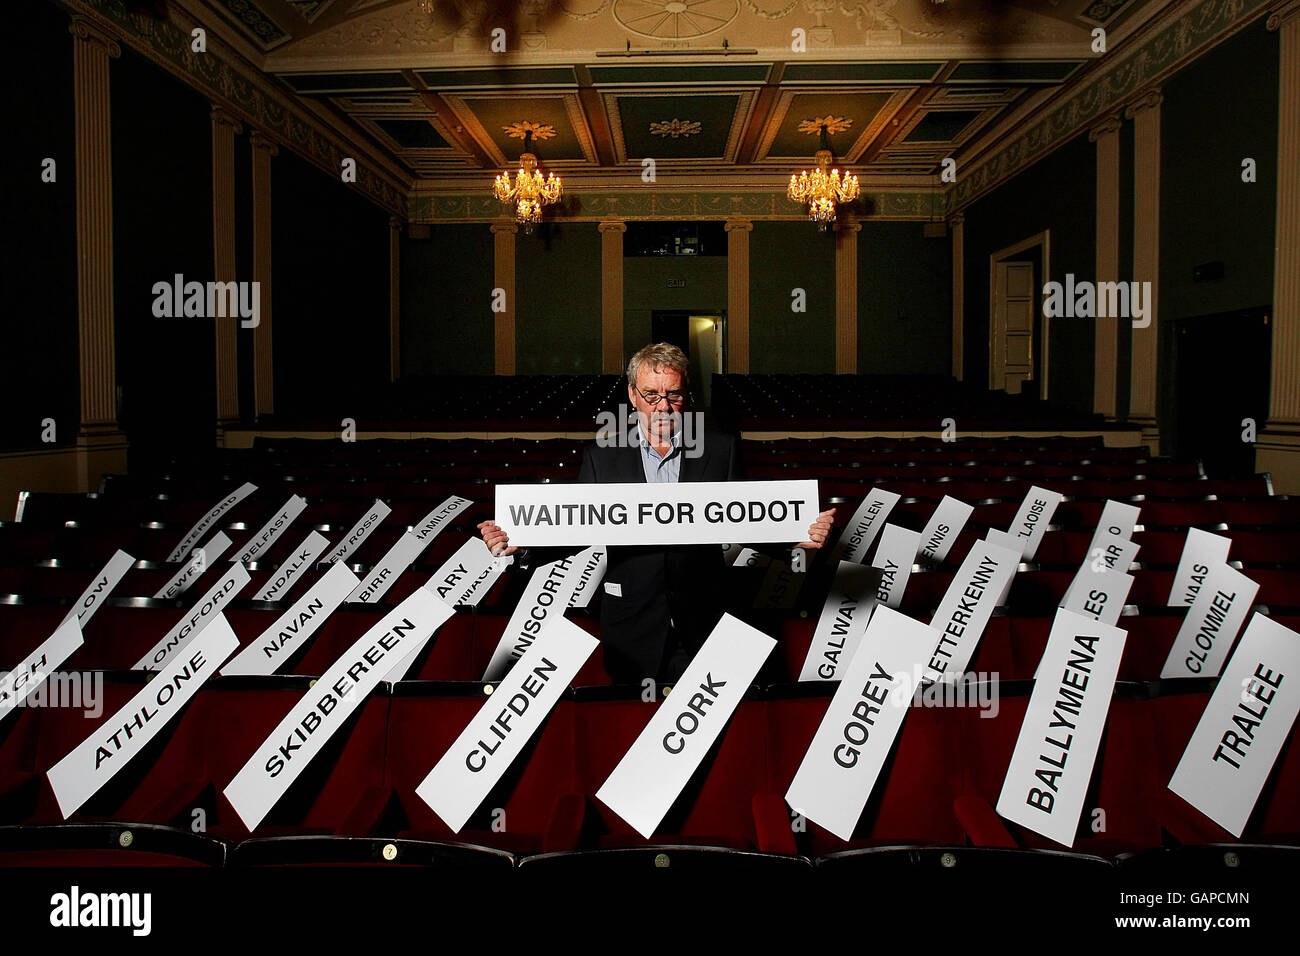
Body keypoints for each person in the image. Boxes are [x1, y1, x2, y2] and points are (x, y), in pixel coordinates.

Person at [479, 342, 835, 682]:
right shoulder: (603, 458)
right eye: (651, 394)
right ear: (633, 397)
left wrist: (796, 541)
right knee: (631, 726)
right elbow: (581, 527)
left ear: (686, 396)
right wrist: (523, 544)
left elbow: (743, 519)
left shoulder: (720, 450)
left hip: (704, 619)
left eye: (674, 395)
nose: (663, 406)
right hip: (631, 623)